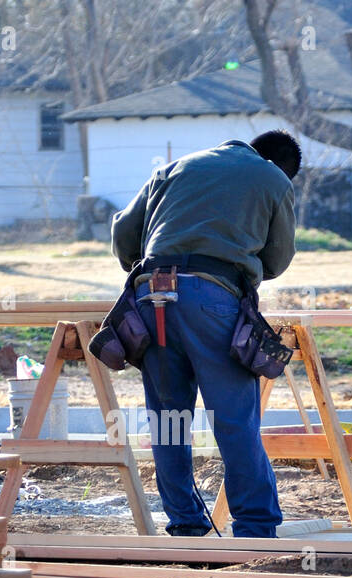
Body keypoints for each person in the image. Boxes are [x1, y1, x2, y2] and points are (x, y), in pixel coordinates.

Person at [110, 130, 300, 538]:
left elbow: (123, 234)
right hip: (211, 297)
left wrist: (147, 268)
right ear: (281, 166)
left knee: (169, 419)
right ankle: (254, 529)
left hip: (149, 296)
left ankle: (187, 526)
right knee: (234, 419)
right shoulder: (273, 179)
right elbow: (278, 258)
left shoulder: (173, 168)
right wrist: (235, 269)